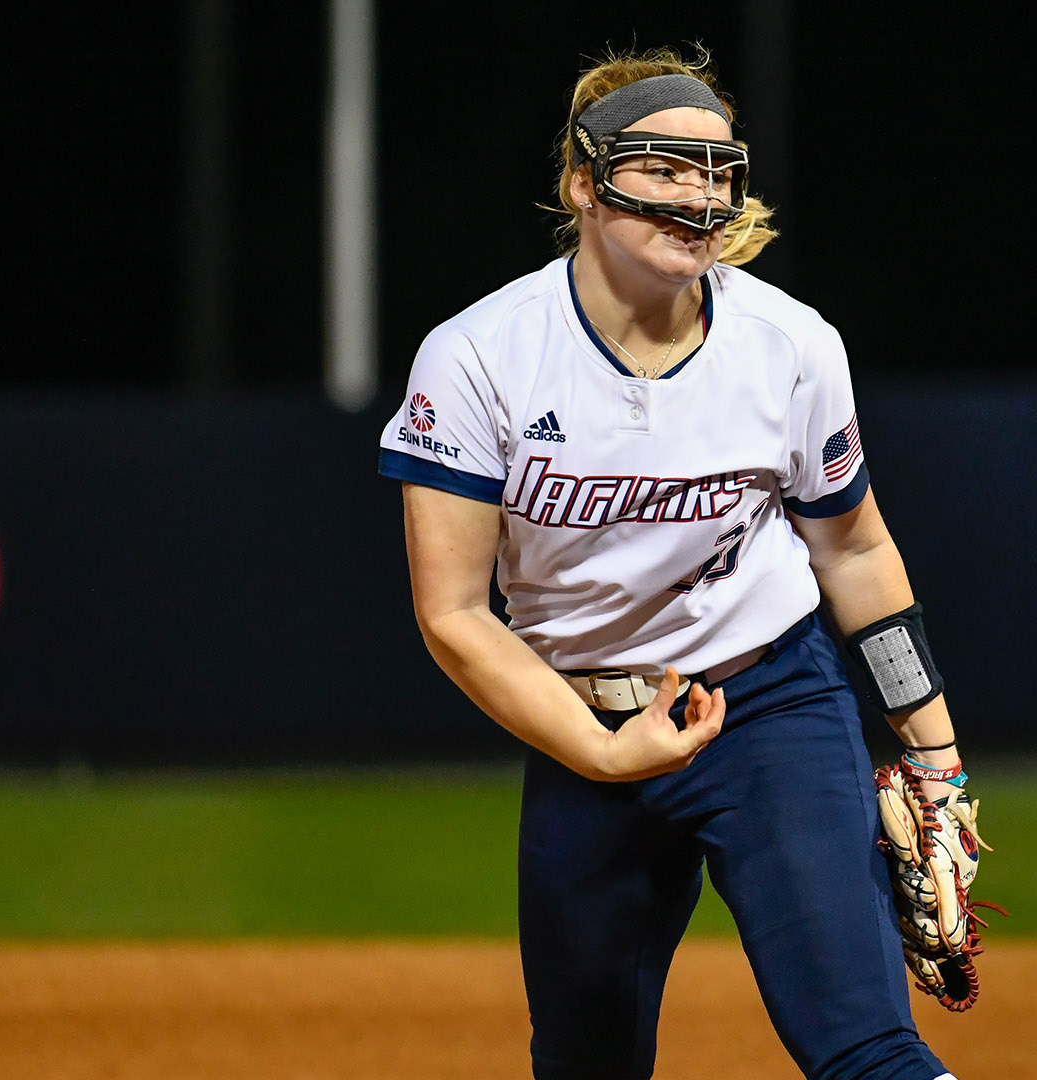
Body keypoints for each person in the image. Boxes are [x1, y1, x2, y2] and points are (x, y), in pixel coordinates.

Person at [380, 46, 975, 1080]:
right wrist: (601, 752)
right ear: (583, 182)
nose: (696, 196)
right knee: (585, 1061)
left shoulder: (790, 344)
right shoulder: (480, 357)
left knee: (866, 1042)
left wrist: (937, 755)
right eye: (661, 167)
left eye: (714, 172)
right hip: (586, 725)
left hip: (772, 703)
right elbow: (454, 615)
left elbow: (855, 547)